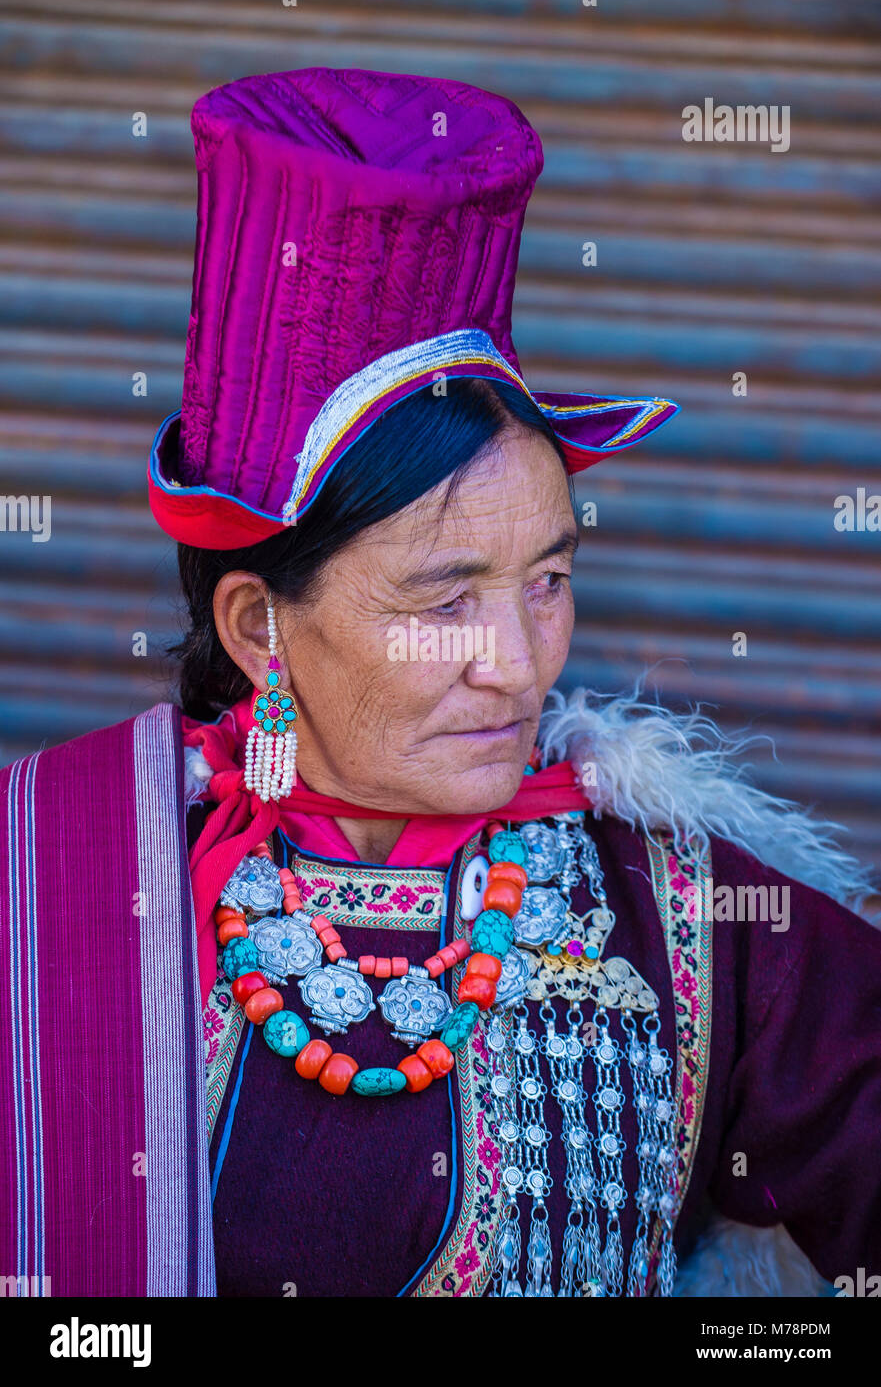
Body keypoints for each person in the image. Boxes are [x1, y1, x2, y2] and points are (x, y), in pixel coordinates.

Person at [1, 66, 879, 1300]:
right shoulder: (50, 887)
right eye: (443, 597)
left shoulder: (689, 926)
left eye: (549, 577)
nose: (521, 666)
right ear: (262, 628)